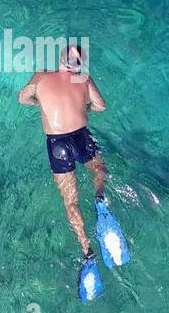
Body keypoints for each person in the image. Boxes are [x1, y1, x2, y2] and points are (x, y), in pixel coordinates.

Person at [17, 44, 109, 260]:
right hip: (81, 138)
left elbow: (22, 99)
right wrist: (84, 108)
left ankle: (87, 250)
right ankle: (98, 197)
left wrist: (39, 102)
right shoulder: (83, 78)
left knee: (70, 201)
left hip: (57, 145)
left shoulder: (41, 76)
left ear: (60, 58)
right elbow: (101, 106)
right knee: (100, 171)